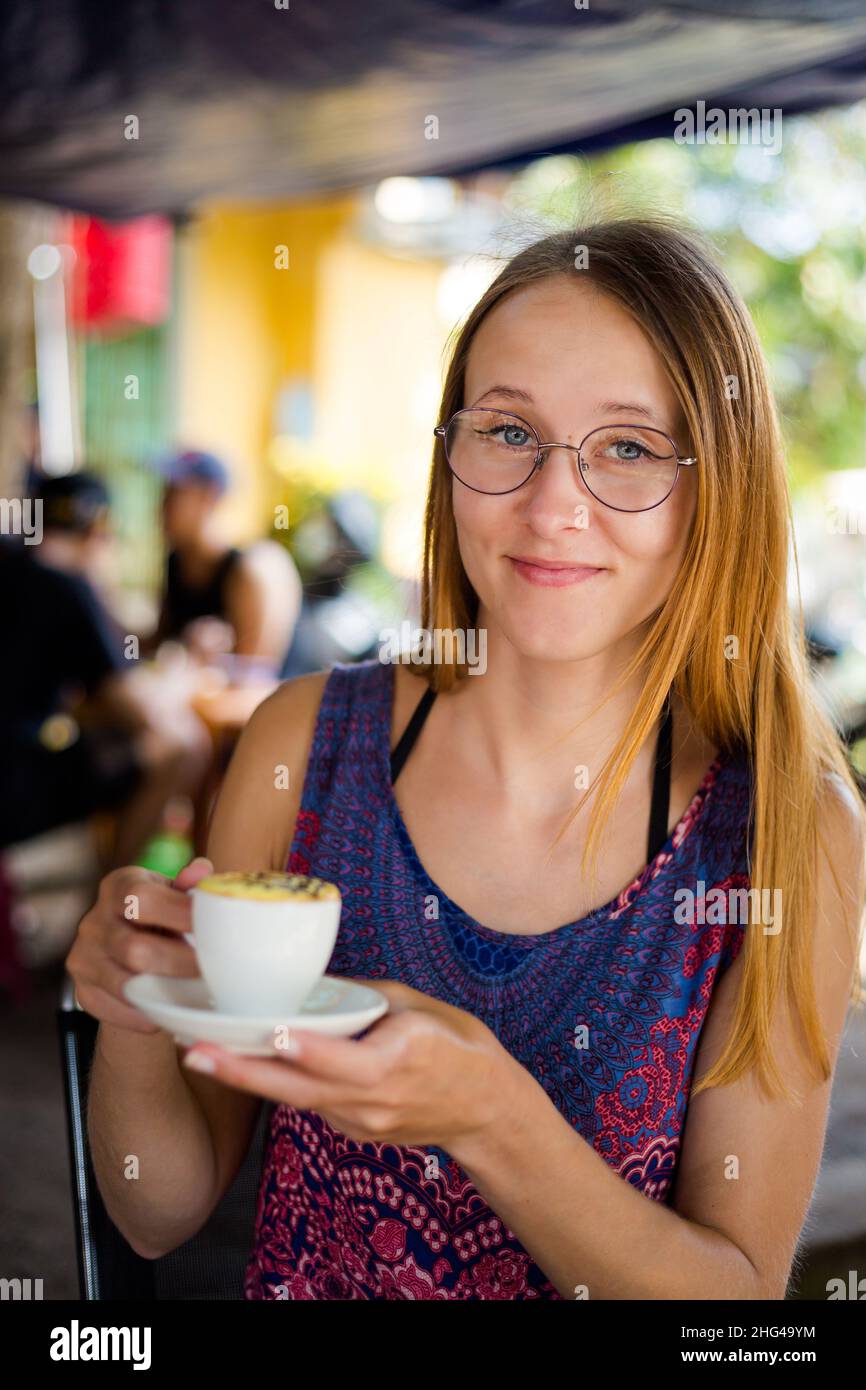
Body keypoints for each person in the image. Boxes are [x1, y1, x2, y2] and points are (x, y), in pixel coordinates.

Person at [69, 216, 866, 1301]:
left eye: (627, 447)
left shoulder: (786, 830)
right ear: (448, 449)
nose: (550, 505)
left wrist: (492, 1119)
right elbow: (156, 1209)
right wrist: (131, 1014)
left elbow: (733, 1303)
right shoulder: (300, 744)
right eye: (505, 432)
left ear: (714, 486)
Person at [0, 474, 211, 870]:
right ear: (98, 534)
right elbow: (141, 712)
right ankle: (111, 892)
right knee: (182, 746)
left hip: (20, 761)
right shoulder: (67, 584)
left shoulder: (14, 565)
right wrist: (187, 670)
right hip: (15, 791)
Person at [150, 449, 301, 672]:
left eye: (173, 494)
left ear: (207, 497)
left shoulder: (249, 571)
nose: (161, 507)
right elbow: (157, 643)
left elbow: (254, 680)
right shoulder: (176, 562)